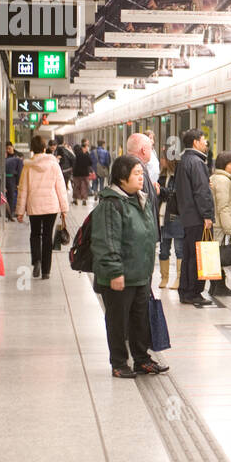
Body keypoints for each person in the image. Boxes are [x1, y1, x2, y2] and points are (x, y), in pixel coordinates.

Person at [91, 155, 168, 378]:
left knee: (139, 320)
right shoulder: (110, 204)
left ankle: (141, 359)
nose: (141, 178)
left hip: (140, 274)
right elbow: (106, 241)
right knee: (118, 322)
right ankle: (118, 363)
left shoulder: (139, 199)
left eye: (141, 173)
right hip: (119, 276)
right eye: (136, 173)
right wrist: (115, 271)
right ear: (122, 177)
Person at [16, 134, 69, 280]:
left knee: (35, 234)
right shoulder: (53, 164)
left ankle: (36, 260)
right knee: (47, 236)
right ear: (45, 148)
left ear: (32, 149)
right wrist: (64, 209)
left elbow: (23, 189)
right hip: (51, 206)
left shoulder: (27, 166)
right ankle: (46, 271)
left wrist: (20, 211)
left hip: (34, 206)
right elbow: (61, 187)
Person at [175, 128, 216, 307]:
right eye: (203, 139)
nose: (206, 142)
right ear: (195, 142)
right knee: (198, 255)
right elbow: (201, 191)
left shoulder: (184, 160)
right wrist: (207, 215)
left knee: (189, 255)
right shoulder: (197, 162)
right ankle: (194, 292)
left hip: (187, 216)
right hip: (198, 217)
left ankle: (185, 290)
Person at [208, 151, 231, 297]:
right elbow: (223, 206)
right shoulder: (223, 180)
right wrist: (228, 228)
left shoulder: (215, 177)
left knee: (216, 255)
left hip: (217, 222)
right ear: (224, 165)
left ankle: (215, 287)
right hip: (221, 224)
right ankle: (219, 287)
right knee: (221, 254)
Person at [157, 159, 185, 290]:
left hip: (176, 217)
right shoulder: (162, 176)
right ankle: (164, 278)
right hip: (162, 217)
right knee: (163, 249)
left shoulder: (179, 176)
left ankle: (179, 279)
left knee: (179, 249)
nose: (161, 161)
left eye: (163, 159)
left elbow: (175, 194)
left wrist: (161, 191)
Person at [4, 143, 24, 218]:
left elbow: (19, 170)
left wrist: (18, 182)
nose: (8, 150)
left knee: (12, 196)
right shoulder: (4, 156)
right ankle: (8, 212)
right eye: (6, 148)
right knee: (8, 196)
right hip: (6, 178)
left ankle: (11, 212)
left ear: (12, 147)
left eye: (9, 148)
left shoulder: (18, 156)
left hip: (13, 179)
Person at [72, 141, 94, 206]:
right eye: (87, 147)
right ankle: (84, 200)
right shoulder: (86, 154)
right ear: (84, 147)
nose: (88, 148)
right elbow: (90, 163)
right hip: (85, 173)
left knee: (76, 186)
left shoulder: (77, 154)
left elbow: (75, 164)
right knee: (84, 186)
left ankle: (75, 199)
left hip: (77, 173)